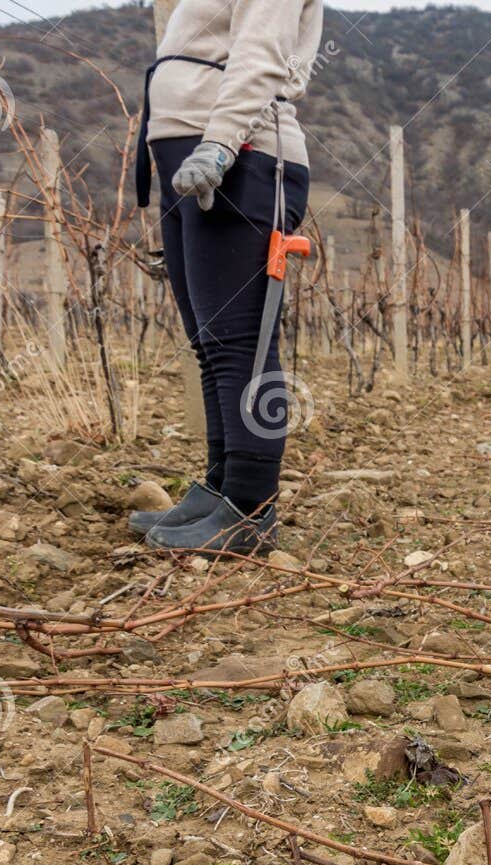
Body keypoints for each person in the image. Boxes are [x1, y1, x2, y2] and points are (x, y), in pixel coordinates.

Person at [128, 0, 322, 555]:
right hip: (188, 153)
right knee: (209, 344)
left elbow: (261, 52)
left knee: (241, 344)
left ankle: (251, 510)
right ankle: (222, 491)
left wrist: (218, 143)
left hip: (240, 156)